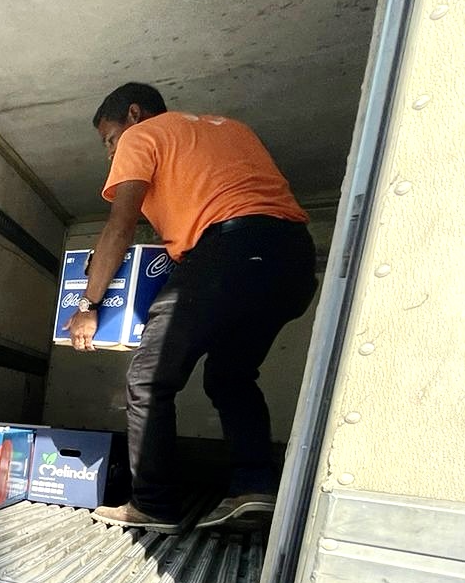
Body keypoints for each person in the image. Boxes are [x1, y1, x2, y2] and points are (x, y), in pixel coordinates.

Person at [65, 82, 317, 533]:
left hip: (228, 252)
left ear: (135, 114)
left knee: (147, 379)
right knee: (230, 376)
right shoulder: (233, 129)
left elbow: (120, 227)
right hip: (292, 260)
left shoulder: (142, 136)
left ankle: (153, 504)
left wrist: (88, 304)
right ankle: (255, 487)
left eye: (109, 139)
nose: (110, 154)